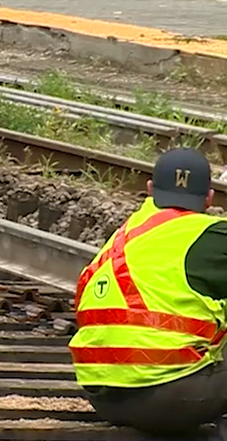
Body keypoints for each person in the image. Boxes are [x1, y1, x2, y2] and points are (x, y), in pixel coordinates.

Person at [69, 147, 227, 439]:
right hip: (171, 398)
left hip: (104, 399)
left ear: (150, 190)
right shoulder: (213, 236)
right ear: (209, 197)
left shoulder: (121, 238)